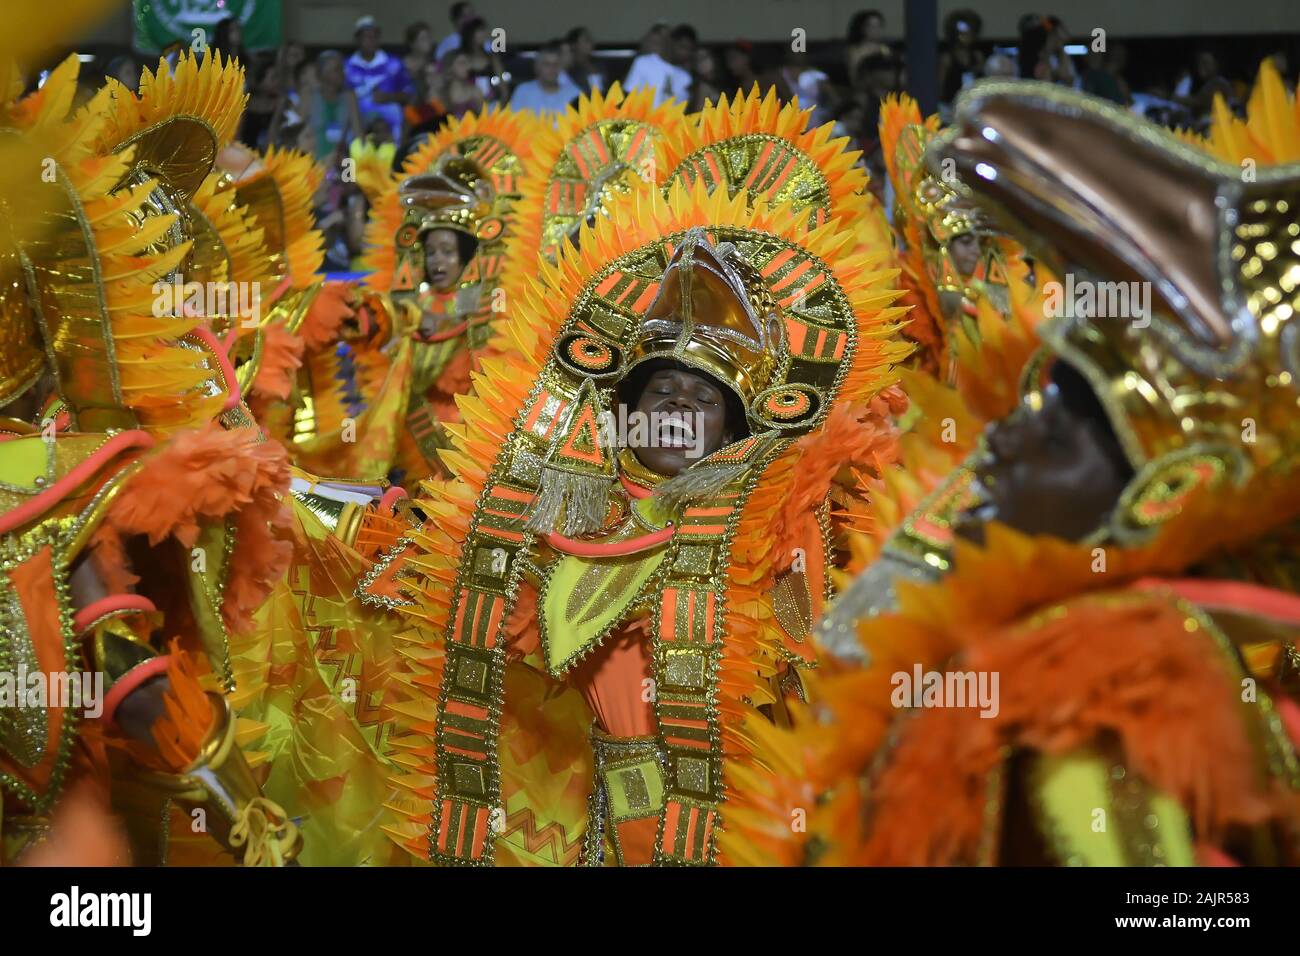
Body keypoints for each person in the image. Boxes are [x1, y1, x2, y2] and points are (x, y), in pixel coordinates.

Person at [345, 15, 414, 142]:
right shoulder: (346, 66)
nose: (371, 40)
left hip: (389, 117)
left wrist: (388, 97)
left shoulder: (394, 63)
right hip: (358, 116)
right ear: (357, 39)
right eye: (366, 36)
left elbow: (409, 95)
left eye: (374, 36)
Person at [304, 50, 362, 163]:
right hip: (314, 162)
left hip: (344, 161)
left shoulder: (350, 97)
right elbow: (299, 134)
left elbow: (358, 133)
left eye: (342, 68)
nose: (343, 73)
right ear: (323, 74)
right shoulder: (309, 96)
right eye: (337, 69)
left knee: (349, 178)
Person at [624, 22, 692, 105]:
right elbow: (628, 96)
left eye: (690, 50)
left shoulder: (685, 77)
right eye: (683, 47)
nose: (685, 53)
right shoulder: (643, 62)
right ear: (672, 42)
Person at [510, 42, 580, 118]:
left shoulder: (574, 93)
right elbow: (513, 122)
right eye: (547, 64)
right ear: (537, 67)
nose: (552, 69)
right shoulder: (523, 91)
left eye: (556, 64)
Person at [938, 9, 986, 103]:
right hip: (951, 104)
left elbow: (983, 81)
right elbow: (940, 86)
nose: (968, 36)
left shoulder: (978, 56)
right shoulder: (947, 58)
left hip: (973, 104)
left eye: (970, 33)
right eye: (964, 33)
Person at [845, 9, 889, 84]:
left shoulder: (884, 48)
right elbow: (855, 77)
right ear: (862, 28)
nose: (876, 30)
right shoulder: (855, 51)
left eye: (879, 26)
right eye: (872, 26)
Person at [441, 47, 486, 117]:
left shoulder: (473, 89)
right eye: (462, 63)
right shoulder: (443, 93)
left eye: (467, 62)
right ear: (450, 67)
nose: (467, 66)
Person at [566, 26, 605, 91]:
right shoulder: (570, 69)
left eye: (591, 40)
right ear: (574, 45)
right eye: (587, 40)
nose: (591, 43)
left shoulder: (600, 65)